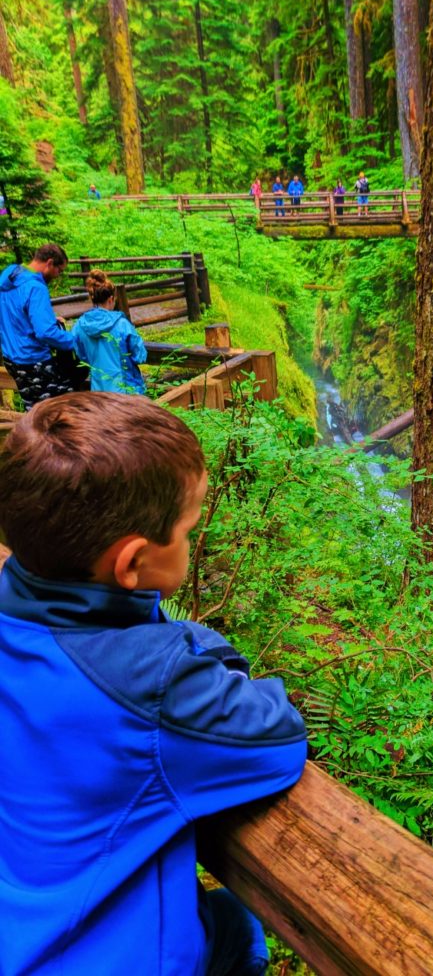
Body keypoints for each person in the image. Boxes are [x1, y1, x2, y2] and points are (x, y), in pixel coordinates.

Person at [0, 392, 308, 976]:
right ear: (133, 564)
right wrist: (190, 647)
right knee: (239, 929)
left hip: (22, 935)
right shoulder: (155, 687)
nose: (192, 541)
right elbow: (276, 735)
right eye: (188, 530)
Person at [0, 242, 79, 410]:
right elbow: (45, 332)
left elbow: (14, 313)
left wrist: (48, 317)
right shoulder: (35, 287)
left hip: (11, 357)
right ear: (50, 263)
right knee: (63, 409)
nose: (58, 275)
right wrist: (76, 340)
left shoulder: (9, 278)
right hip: (34, 359)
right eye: (59, 270)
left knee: (34, 409)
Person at [72, 269, 147, 394]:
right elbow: (140, 355)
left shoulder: (79, 326)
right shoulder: (122, 324)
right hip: (126, 392)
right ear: (111, 299)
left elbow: (81, 355)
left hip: (99, 393)